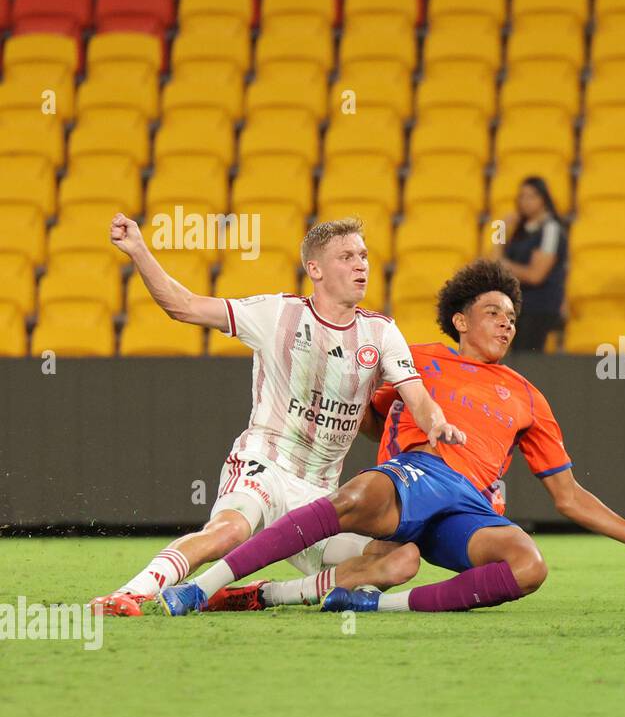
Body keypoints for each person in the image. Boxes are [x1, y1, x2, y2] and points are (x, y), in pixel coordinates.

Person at [158, 260, 625, 617]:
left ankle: (371, 607)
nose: (506, 324)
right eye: (493, 313)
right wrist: (392, 457)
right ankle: (201, 589)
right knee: (353, 500)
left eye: (512, 318)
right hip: (420, 475)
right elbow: (366, 410)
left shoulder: (526, 394)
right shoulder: (416, 358)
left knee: (529, 567)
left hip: (466, 506)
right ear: (459, 321)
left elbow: (568, 497)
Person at [90, 215, 463, 617]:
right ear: (315, 269)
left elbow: (417, 397)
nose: (361, 265)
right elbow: (183, 306)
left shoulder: (382, 333)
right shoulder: (276, 315)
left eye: (364, 256)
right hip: (264, 465)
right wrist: (139, 251)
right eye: (347, 257)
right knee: (230, 531)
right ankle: (131, 592)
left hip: (320, 494)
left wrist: (436, 423)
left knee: (401, 558)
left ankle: (261, 594)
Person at [499, 176, 568, 351]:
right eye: (522, 197)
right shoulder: (519, 230)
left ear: (543, 199)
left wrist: (505, 266)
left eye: (531, 196)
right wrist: (500, 231)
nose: (525, 202)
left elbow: (536, 275)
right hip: (516, 308)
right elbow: (494, 260)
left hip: (539, 309)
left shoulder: (550, 229)